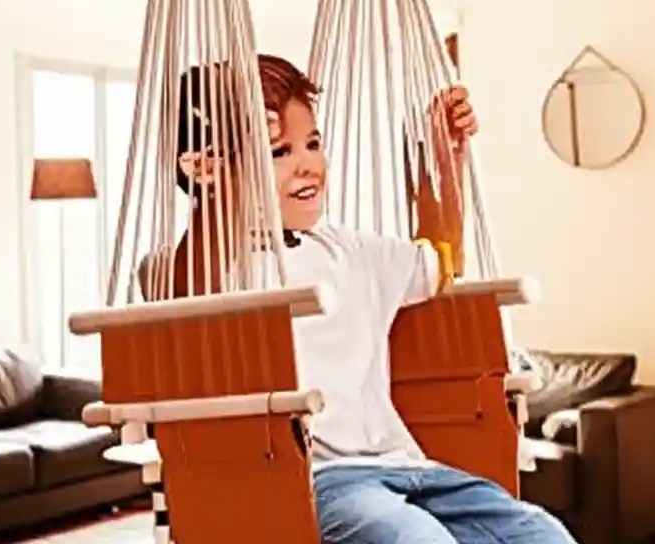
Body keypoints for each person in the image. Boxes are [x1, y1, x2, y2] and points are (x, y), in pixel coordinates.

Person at [147, 54, 575, 543]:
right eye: (279, 152)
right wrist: (219, 187)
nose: (307, 165)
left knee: (542, 533)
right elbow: (186, 295)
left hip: (408, 466)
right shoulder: (211, 263)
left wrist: (446, 160)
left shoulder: (349, 250)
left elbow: (441, 259)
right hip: (316, 481)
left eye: (313, 143)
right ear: (208, 168)